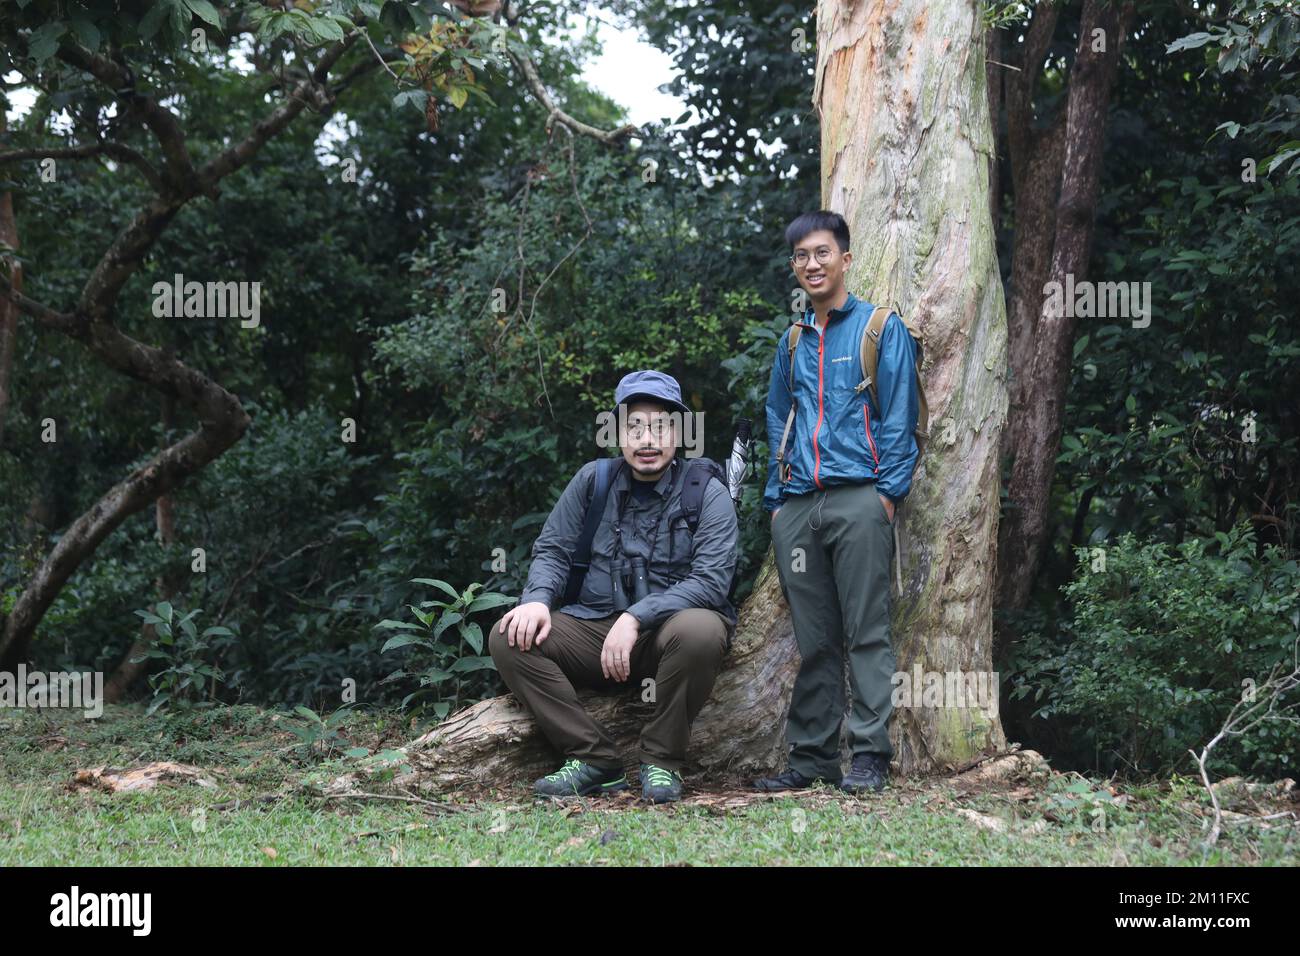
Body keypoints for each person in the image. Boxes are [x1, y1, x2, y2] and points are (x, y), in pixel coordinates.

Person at [489, 370, 740, 803]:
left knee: (702, 629)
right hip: (593, 631)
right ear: (618, 433)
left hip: (668, 636)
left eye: (660, 426)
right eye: (635, 426)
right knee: (508, 636)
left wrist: (635, 617)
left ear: (678, 433)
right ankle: (594, 759)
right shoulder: (594, 481)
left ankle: (661, 761)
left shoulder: (706, 491)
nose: (648, 439)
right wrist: (536, 601)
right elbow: (553, 550)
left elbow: (711, 582)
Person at [753, 210, 920, 795]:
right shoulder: (794, 339)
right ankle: (812, 759)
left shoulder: (878, 328)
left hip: (860, 500)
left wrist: (887, 497)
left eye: (822, 253)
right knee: (814, 636)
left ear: (844, 259)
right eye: (801, 256)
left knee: (868, 631)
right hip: (798, 506)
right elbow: (779, 415)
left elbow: (900, 419)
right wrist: (777, 499)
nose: (811, 264)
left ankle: (871, 756)